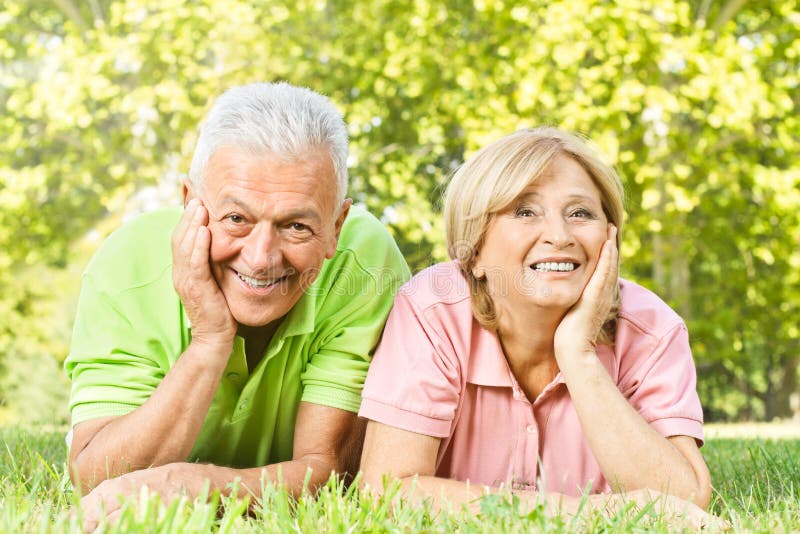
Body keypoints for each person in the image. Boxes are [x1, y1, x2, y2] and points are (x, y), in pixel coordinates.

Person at [64, 82, 410, 526]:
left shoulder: (365, 265)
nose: (261, 257)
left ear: (336, 226)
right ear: (191, 204)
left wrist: (191, 487)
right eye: (236, 219)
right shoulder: (126, 266)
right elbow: (95, 479)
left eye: (296, 226)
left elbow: (331, 472)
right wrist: (210, 340)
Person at [358, 128, 712, 520]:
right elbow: (386, 491)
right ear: (473, 252)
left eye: (581, 213)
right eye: (525, 212)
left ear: (610, 237)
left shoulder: (651, 328)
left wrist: (578, 355)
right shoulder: (433, 311)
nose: (559, 236)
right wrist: (594, 513)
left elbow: (684, 499)